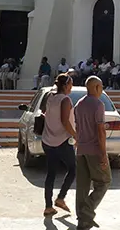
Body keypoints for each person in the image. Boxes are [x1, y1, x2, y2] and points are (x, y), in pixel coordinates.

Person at [74, 76, 111, 230]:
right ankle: (86, 212)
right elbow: (100, 131)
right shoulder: (98, 104)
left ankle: (83, 220)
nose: (102, 90)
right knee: (104, 182)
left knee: (82, 186)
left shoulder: (79, 104)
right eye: (101, 87)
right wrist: (103, 154)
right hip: (94, 150)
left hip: (80, 149)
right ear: (96, 87)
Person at [43, 74, 78, 217]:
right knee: (73, 169)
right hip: (62, 141)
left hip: (47, 140)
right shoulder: (65, 100)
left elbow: (45, 113)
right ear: (66, 86)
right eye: (71, 85)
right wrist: (76, 135)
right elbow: (65, 121)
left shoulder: (50, 97)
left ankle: (48, 206)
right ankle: (61, 197)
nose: (72, 87)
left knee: (51, 174)